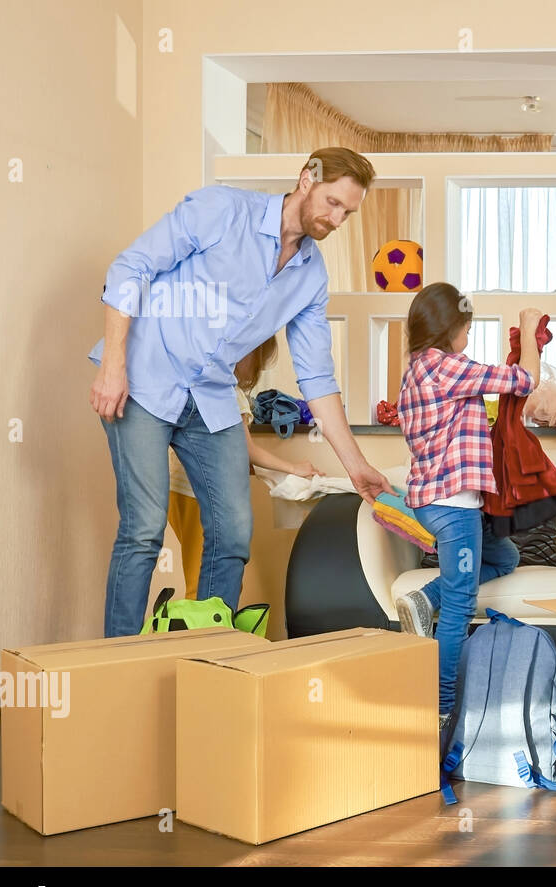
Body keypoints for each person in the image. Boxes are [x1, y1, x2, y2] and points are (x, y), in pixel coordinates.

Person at [89, 147, 393, 637]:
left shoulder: (311, 276)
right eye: (333, 203)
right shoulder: (222, 210)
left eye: (347, 213)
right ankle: (117, 662)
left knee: (232, 532)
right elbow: (131, 267)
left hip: (210, 398)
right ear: (306, 179)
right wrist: (114, 364)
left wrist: (357, 467)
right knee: (143, 530)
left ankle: (207, 656)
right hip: (145, 380)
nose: (336, 219)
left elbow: (317, 378)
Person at [392, 283, 542, 726]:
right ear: (448, 329)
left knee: (505, 555)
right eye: (466, 328)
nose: (469, 337)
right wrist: (530, 332)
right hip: (455, 507)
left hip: (429, 501)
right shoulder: (451, 368)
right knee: (460, 606)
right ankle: (441, 708)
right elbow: (525, 381)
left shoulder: (416, 369)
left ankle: (424, 598)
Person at [166, 337, 324, 600]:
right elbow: (245, 450)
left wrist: (269, 472)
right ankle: (204, 636)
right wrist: (293, 467)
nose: (258, 371)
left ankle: (208, 630)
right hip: (199, 494)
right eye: (258, 362)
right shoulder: (230, 393)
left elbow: (226, 454)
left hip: (177, 488)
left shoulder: (202, 386)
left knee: (204, 571)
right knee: (210, 578)